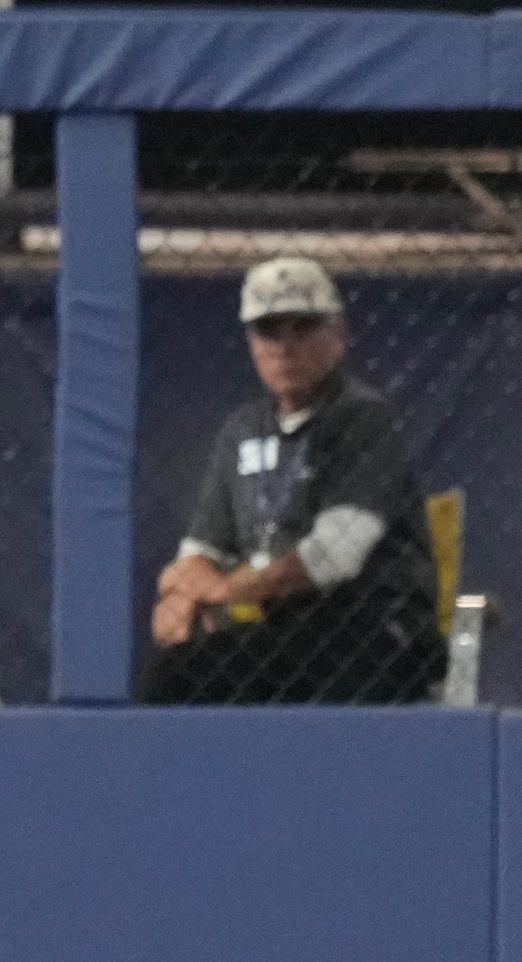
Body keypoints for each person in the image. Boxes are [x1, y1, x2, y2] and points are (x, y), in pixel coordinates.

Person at [145, 256, 445, 705]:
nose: (285, 346)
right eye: (269, 330)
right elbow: (198, 554)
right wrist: (183, 597)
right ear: (251, 345)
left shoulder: (365, 420)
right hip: (285, 636)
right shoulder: (242, 430)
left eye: (302, 327)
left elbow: (332, 559)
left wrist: (227, 590)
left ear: (339, 336)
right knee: (174, 675)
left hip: (377, 628)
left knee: (336, 675)